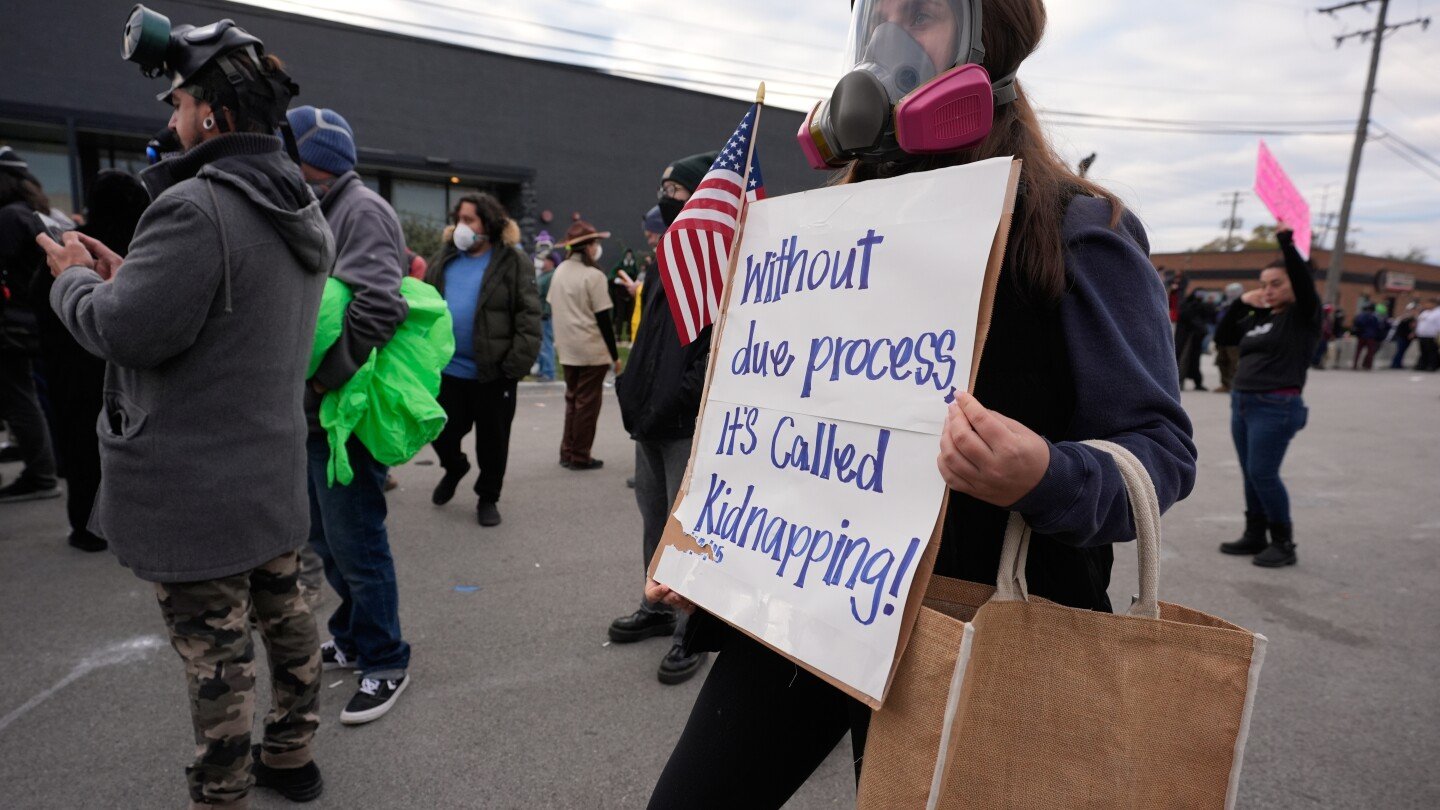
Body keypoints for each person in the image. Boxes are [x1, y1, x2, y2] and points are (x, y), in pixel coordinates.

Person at [645, 1, 1197, 805]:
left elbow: (1160, 453)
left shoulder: (1079, 230)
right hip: (815, 599)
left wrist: (1044, 473)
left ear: (992, 40)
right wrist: (714, 541)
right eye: (880, 16)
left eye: (926, 15)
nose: (890, 42)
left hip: (983, 625)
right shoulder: (833, 230)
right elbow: (782, 424)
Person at [38, 12, 328, 807]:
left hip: (197, 488)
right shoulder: (297, 202)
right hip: (266, 474)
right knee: (289, 618)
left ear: (215, 113)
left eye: (177, 104)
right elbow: (220, 307)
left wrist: (71, 276)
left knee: (217, 655)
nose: (171, 119)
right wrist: (130, 270)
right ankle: (293, 755)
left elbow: (124, 330)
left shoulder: (196, 206)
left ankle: (223, 788)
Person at [285, 105, 415, 724]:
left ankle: (387, 660)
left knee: (357, 540)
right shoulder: (322, 205)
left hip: (343, 410)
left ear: (318, 159)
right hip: (319, 414)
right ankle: (356, 633)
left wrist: (319, 382)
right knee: (326, 540)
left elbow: (377, 310)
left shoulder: (360, 211)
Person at [609, 155, 717, 686]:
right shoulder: (664, 255)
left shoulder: (717, 256)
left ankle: (689, 630)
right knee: (654, 518)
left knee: (685, 528)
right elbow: (650, 336)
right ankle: (657, 605)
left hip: (683, 418)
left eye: (675, 188)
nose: (664, 196)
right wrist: (633, 387)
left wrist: (683, 394)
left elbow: (715, 345)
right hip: (649, 416)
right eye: (663, 186)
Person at [29, 169, 149, 550]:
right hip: (122, 370)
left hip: (70, 366)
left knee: (80, 445)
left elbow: (41, 295)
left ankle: (87, 526)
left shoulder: (75, 248)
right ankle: (125, 525)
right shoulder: (142, 246)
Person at [427, 193, 542, 525]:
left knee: (493, 443)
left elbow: (529, 317)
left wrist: (512, 369)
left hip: (494, 373)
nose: (461, 227)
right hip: (447, 371)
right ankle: (455, 466)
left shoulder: (512, 261)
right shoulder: (445, 258)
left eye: (470, 220)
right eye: (459, 219)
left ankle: (487, 497)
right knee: (440, 433)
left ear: (489, 224)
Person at [1218, 223, 1320, 568]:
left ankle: (1283, 542)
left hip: (1276, 405)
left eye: (1277, 283)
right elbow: (1224, 336)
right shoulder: (1261, 317)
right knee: (1250, 472)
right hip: (1243, 401)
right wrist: (1240, 304)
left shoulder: (1303, 316)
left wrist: (1286, 243)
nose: (1268, 290)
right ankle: (1254, 534)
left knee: (1263, 473)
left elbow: (1305, 287)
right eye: (1263, 284)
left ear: (1295, 281)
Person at [0, 146, 62, 503]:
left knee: (19, 399)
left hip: (14, 323)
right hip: (34, 319)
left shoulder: (10, 218)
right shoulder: (32, 213)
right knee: (26, 397)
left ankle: (40, 474)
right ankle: (41, 471)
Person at [550, 219, 622, 471]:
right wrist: (615, 356)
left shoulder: (559, 272)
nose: (597, 247)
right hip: (592, 350)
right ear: (588, 247)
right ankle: (580, 455)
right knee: (587, 405)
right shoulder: (594, 276)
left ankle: (567, 451)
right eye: (595, 243)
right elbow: (604, 320)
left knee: (572, 401)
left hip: (567, 349)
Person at [1213, 282, 1252, 394]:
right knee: (1222, 362)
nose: (1230, 293)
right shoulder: (1224, 304)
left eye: (1233, 291)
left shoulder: (1244, 305)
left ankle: (1236, 385)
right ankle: (1225, 384)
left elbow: (1244, 321)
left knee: (1234, 364)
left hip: (1234, 340)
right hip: (1221, 339)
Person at [1175, 289, 1212, 390]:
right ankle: (1179, 381)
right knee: (1183, 360)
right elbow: (1186, 317)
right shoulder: (1188, 305)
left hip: (1196, 339)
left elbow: (1208, 317)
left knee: (1194, 361)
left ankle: (1197, 382)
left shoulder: (1200, 306)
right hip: (1186, 338)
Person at [534, 252, 557, 381]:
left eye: (545, 260)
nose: (542, 262)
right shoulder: (543, 275)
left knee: (546, 344)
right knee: (541, 345)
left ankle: (549, 372)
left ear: (551, 262)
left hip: (546, 316)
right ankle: (543, 370)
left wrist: (546, 312)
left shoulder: (551, 276)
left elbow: (550, 296)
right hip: (540, 314)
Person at [610, 248, 639, 342]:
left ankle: (630, 335)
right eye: (628, 254)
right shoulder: (620, 266)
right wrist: (618, 281)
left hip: (631, 295)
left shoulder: (634, 266)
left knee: (631, 315)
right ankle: (617, 335)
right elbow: (612, 276)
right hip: (620, 295)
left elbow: (637, 277)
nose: (629, 256)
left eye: (631, 255)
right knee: (620, 315)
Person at [1350, 303, 1384, 370]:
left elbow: (1356, 323)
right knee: (1370, 352)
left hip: (1361, 336)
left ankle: (1355, 365)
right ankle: (1368, 365)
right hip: (1370, 336)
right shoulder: (1374, 317)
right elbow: (1378, 327)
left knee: (1358, 351)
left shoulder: (1360, 315)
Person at [1390, 302, 1418, 370]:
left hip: (1408, 338)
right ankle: (1395, 364)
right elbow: (1399, 327)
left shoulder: (1414, 318)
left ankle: (1398, 364)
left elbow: (1414, 328)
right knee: (1400, 350)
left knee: (1402, 351)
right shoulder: (1404, 318)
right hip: (1402, 337)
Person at [1416, 298, 1440, 372]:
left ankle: (1432, 366)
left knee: (1432, 352)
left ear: (1434, 304)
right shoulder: (1425, 312)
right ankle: (1423, 365)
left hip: (1432, 336)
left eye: (1429, 304)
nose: (1427, 305)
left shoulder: (1437, 313)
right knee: (1423, 351)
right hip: (1422, 335)